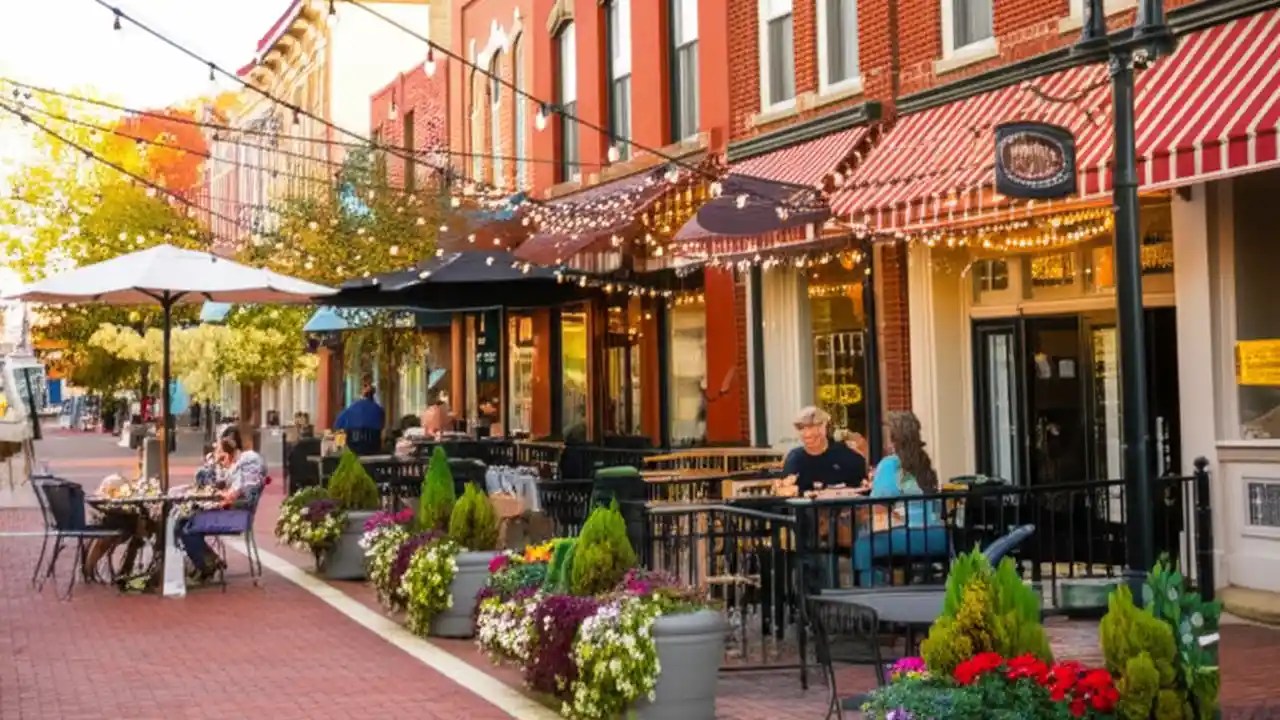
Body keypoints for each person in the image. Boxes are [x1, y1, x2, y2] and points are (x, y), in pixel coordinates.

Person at [180, 427, 267, 581]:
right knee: (182, 522)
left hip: (237, 515)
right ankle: (209, 562)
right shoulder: (235, 463)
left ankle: (207, 565)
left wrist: (217, 495)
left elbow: (237, 493)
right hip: (232, 511)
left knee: (186, 526)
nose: (217, 453)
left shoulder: (248, 460)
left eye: (219, 448)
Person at [782, 406, 868, 494]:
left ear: (824, 426)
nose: (807, 434)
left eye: (813, 427)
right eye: (801, 428)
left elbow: (863, 489)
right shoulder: (794, 458)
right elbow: (785, 492)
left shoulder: (846, 455)